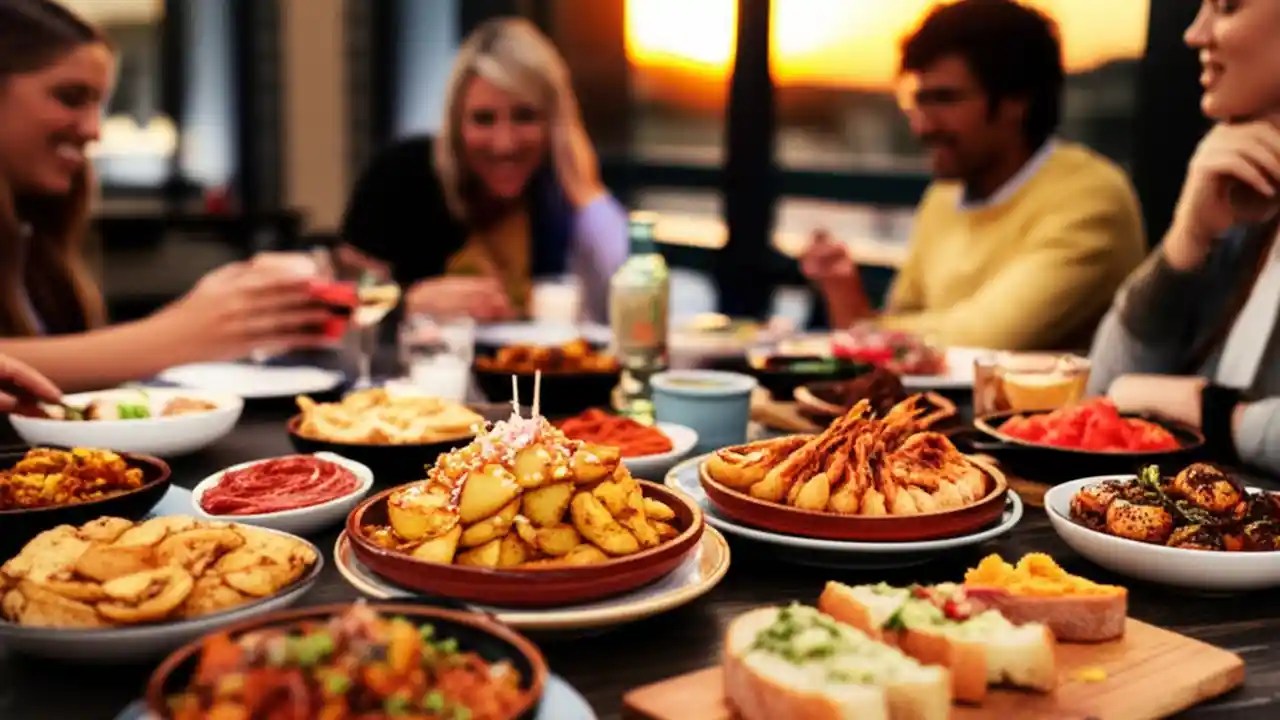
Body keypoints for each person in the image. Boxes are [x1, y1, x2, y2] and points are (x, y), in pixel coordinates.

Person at [0, 0, 330, 391]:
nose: (94, 131)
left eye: (98, 106)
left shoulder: (34, 231)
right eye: (71, 97)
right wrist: (177, 336)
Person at [801, 0, 1145, 351]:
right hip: (937, 405)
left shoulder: (1091, 198)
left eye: (944, 99)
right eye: (916, 101)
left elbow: (989, 339)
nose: (922, 125)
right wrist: (846, 296)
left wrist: (867, 328)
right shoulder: (943, 198)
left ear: (1016, 101)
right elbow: (894, 327)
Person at [1089, 0, 1280, 475]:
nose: (1196, 34)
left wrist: (1212, 412)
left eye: (1227, 7)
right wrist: (1186, 241)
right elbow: (1102, 392)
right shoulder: (1247, 200)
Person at [340, 17, 627, 323]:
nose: (504, 145)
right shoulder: (401, 175)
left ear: (554, 123)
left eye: (525, 117)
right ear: (455, 122)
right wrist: (410, 302)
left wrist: (589, 195)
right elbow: (343, 302)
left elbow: (635, 304)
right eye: (483, 119)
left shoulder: (559, 193)